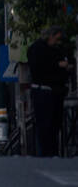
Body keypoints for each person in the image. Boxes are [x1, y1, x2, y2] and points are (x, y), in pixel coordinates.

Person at [27, 26, 71, 157]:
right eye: (56, 39)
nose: (58, 43)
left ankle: (51, 152)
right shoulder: (37, 49)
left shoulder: (56, 50)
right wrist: (58, 65)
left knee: (54, 125)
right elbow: (39, 69)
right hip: (44, 92)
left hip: (55, 92)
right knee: (45, 125)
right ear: (50, 36)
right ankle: (46, 153)